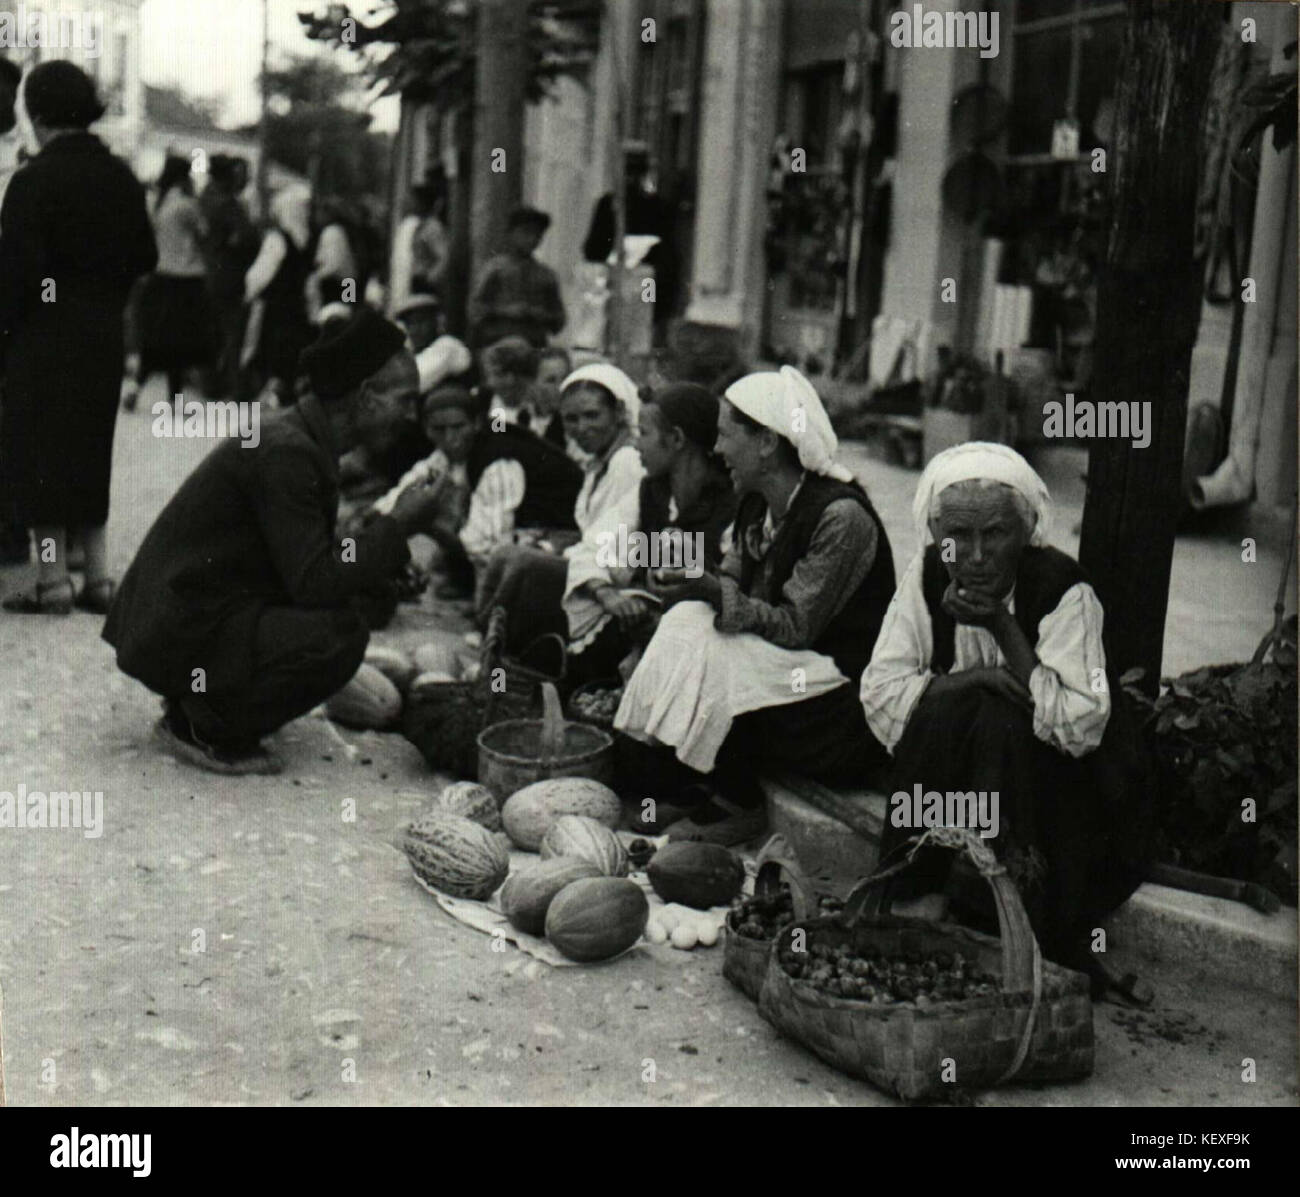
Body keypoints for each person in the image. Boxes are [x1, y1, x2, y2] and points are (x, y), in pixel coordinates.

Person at [859, 442, 1152, 990]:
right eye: (957, 537)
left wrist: (1001, 627)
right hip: (978, 782)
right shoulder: (926, 577)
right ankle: (919, 888)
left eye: (992, 534)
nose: (973, 555)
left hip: (1071, 793)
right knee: (957, 702)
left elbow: (1079, 725)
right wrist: (976, 679)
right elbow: (881, 694)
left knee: (992, 714)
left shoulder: (1064, 590)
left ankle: (1026, 917)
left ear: (1024, 532)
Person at [103, 309, 441, 774]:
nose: (411, 415)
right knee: (338, 637)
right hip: (178, 628)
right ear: (364, 397)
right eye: (405, 400)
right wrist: (398, 527)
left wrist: (379, 555)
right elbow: (313, 583)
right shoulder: (288, 450)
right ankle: (201, 724)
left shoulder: (299, 438)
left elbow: (308, 559)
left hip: (190, 617)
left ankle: (206, 700)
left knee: (358, 598)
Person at [613, 367, 896, 845]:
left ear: (767, 443)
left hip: (839, 706)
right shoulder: (758, 506)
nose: (718, 449)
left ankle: (738, 802)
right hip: (785, 673)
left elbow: (795, 625)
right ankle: (693, 781)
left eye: (726, 436)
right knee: (687, 623)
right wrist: (690, 587)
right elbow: (732, 582)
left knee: (720, 649)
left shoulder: (840, 517)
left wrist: (710, 591)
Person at [0, 61, 157, 615]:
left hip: (43, 335)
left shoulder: (33, 180)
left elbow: (20, 273)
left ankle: (50, 582)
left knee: (41, 452)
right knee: (92, 445)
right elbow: (145, 257)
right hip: (101, 330)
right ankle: (97, 578)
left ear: (37, 113)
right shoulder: (121, 178)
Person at [564, 381, 738, 686]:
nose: (635, 445)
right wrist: (607, 594)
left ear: (676, 439)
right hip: (646, 627)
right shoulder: (651, 491)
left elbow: (736, 596)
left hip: (701, 644)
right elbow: (593, 547)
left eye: (643, 434)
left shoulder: (730, 505)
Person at [474, 362, 646, 648]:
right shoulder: (598, 464)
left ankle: (499, 649)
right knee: (509, 553)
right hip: (593, 561)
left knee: (524, 564)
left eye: (592, 415)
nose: (582, 428)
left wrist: (561, 553)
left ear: (617, 413)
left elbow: (616, 542)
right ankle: (492, 642)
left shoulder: (626, 462)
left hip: (613, 574)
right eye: (571, 419)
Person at [382, 384, 583, 601]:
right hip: (526, 536)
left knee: (454, 520)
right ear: (427, 430)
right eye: (439, 429)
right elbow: (403, 493)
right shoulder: (445, 456)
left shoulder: (498, 461)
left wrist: (427, 525)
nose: (450, 437)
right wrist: (378, 520)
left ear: (476, 424)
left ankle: (486, 599)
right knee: (431, 496)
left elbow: (487, 548)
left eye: (458, 427)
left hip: (566, 536)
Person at [125, 154, 215, 411]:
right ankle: (175, 399)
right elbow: (204, 233)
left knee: (156, 341)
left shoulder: (157, 202)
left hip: (160, 276)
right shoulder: (187, 205)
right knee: (180, 343)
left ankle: (135, 387)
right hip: (186, 279)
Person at [582, 141, 680, 337]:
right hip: (613, 276)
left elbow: (667, 254)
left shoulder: (657, 207)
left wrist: (661, 304)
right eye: (626, 171)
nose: (630, 178)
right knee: (608, 329)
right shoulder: (608, 205)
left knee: (642, 328)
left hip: (646, 279)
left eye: (636, 171)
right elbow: (593, 249)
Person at [244, 183, 313, 407]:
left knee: (268, 351)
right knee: (288, 355)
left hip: (274, 306)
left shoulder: (277, 239)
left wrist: (249, 292)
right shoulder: (306, 240)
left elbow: (260, 275)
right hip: (296, 308)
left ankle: (268, 396)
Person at [197, 154, 258, 400]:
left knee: (210, 331)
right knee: (233, 332)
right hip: (229, 274)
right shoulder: (229, 204)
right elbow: (246, 238)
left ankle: (210, 383)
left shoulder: (203, 198)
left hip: (207, 270)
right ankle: (235, 387)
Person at [467, 206, 565, 350]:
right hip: (497, 344)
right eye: (526, 232)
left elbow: (559, 320)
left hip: (534, 346)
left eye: (537, 235)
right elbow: (474, 310)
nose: (531, 239)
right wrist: (505, 311)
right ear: (511, 233)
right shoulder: (495, 270)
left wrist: (539, 314)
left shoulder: (546, 275)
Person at [479, 335, 540, 428]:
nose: (490, 383)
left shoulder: (539, 408)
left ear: (513, 376)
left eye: (497, 374)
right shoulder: (486, 404)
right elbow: (498, 434)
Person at [534, 345, 573, 452]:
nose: (561, 387)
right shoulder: (521, 418)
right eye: (551, 380)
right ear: (534, 382)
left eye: (565, 378)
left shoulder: (575, 424)